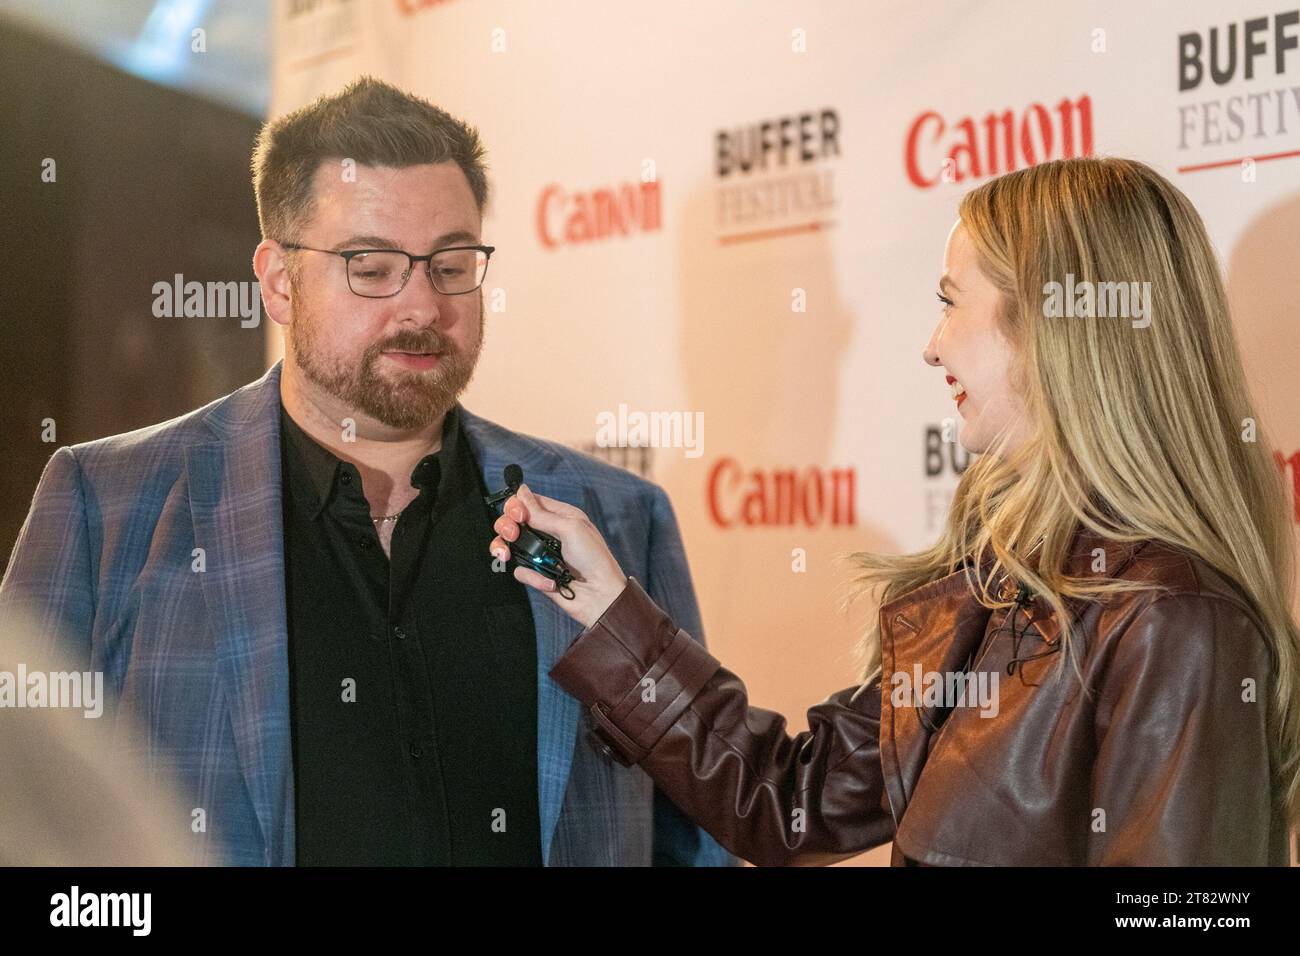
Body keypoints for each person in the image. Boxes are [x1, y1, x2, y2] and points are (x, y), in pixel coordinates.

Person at [0, 76, 733, 867]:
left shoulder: (617, 517)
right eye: (370, 266)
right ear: (280, 281)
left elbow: (697, 841)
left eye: (451, 265)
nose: (421, 307)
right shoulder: (107, 507)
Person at [490, 156, 1300, 866]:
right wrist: (605, 608)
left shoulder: (1174, 620)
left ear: (1054, 326)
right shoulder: (998, 583)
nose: (932, 345)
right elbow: (787, 803)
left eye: (953, 302)